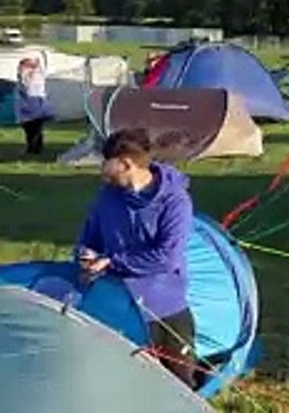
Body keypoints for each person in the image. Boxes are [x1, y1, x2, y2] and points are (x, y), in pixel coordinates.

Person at [75, 128, 198, 388]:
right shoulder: (106, 197)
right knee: (119, 381)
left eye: (104, 161)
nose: (101, 169)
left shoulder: (175, 202)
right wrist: (85, 255)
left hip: (163, 308)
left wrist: (112, 261)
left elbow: (167, 258)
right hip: (113, 301)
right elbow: (88, 238)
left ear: (125, 163)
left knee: (178, 383)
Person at [15, 58, 54, 155]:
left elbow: (25, 84)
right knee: (31, 127)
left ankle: (34, 148)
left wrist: (29, 67)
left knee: (34, 127)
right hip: (30, 101)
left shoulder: (35, 73)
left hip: (34, 101)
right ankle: (34, 148)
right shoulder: (30, 73)